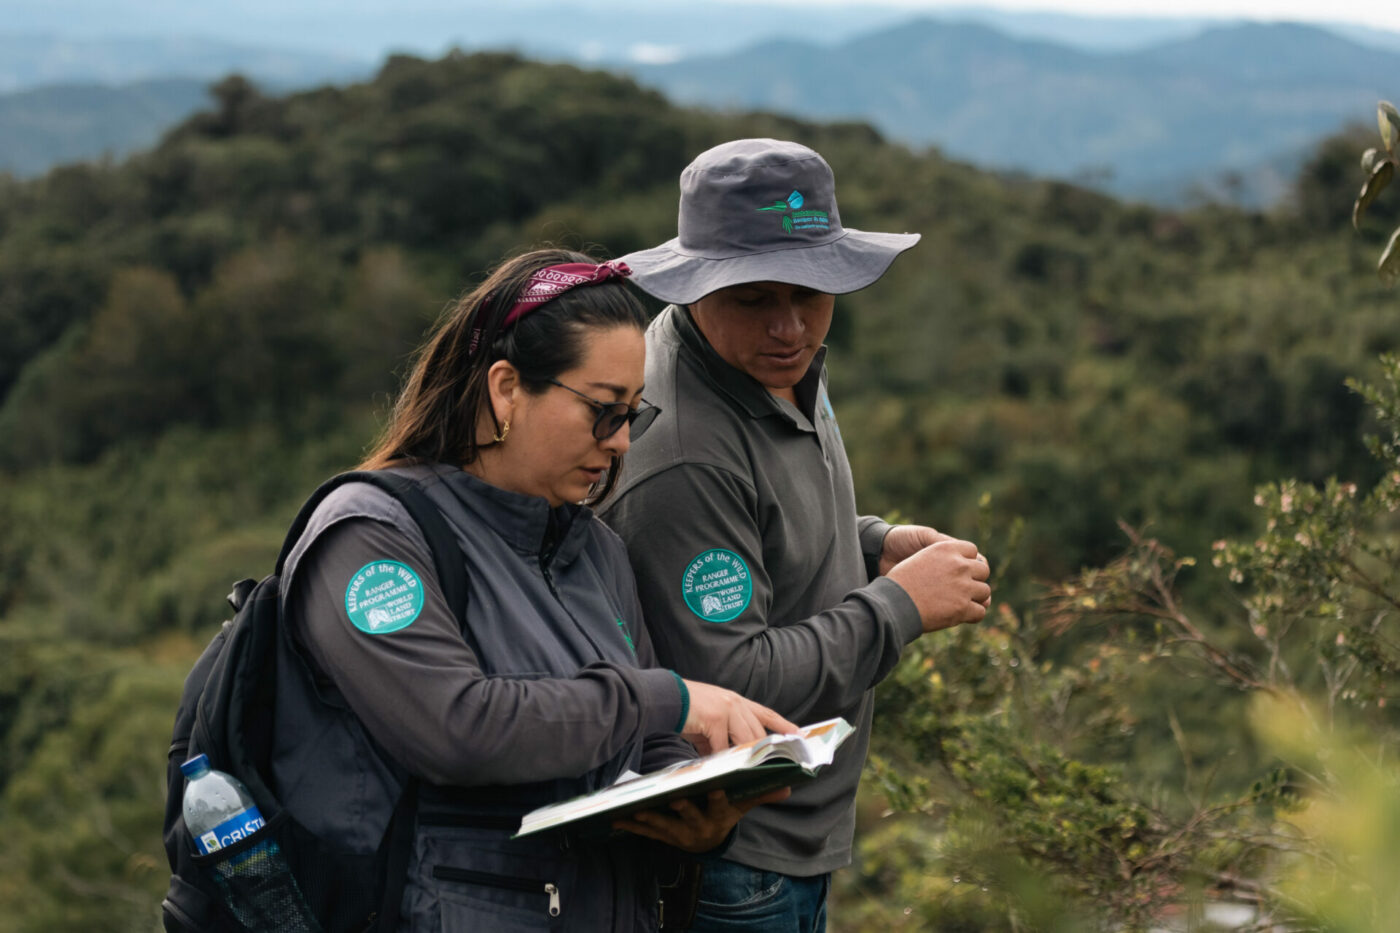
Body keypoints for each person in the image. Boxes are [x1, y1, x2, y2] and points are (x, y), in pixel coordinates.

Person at [270, 248, 797, 931]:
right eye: (603, 410)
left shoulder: (597, 551)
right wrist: (670, 698)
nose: (621, 443)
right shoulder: (371, 536)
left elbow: (647, 744)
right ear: (506, 389)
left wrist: (697, 812)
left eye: (633, 414)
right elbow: (456, 727)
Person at [600, 139, 992, 932]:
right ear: (700, 286)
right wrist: (898, 606)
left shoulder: (772, 363)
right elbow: (730, 682)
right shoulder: (682, 453)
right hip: (737, 859)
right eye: (753, 298)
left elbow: (761, 527)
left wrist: (870, 542)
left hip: (796, 838)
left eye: (812, 292)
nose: (788, 325)